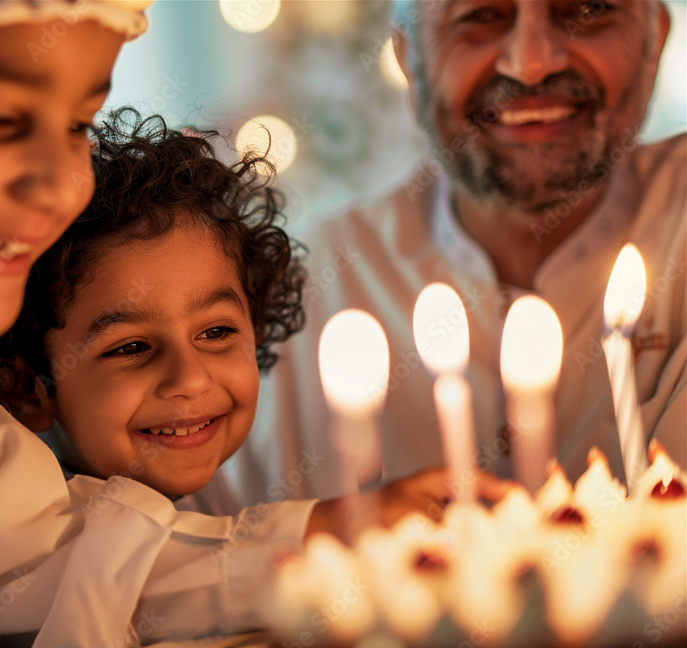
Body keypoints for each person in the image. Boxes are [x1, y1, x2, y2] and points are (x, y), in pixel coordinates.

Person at [0, 3, 503, 648]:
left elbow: (41, 554)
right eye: (0, 119)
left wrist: (332, 537)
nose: (60, 187)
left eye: (77, 123)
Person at [219, 0, 686, 510]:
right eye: (481, 15)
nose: (531, 63)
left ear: (655, 40)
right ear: (407, 58)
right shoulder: (298, 296)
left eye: (588, 9)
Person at [0, 109, 306, 514]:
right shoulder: (47, 533)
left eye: (216, 332)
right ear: (24, 391)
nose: (191, 380)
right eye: (131, 347)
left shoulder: (204, 494)